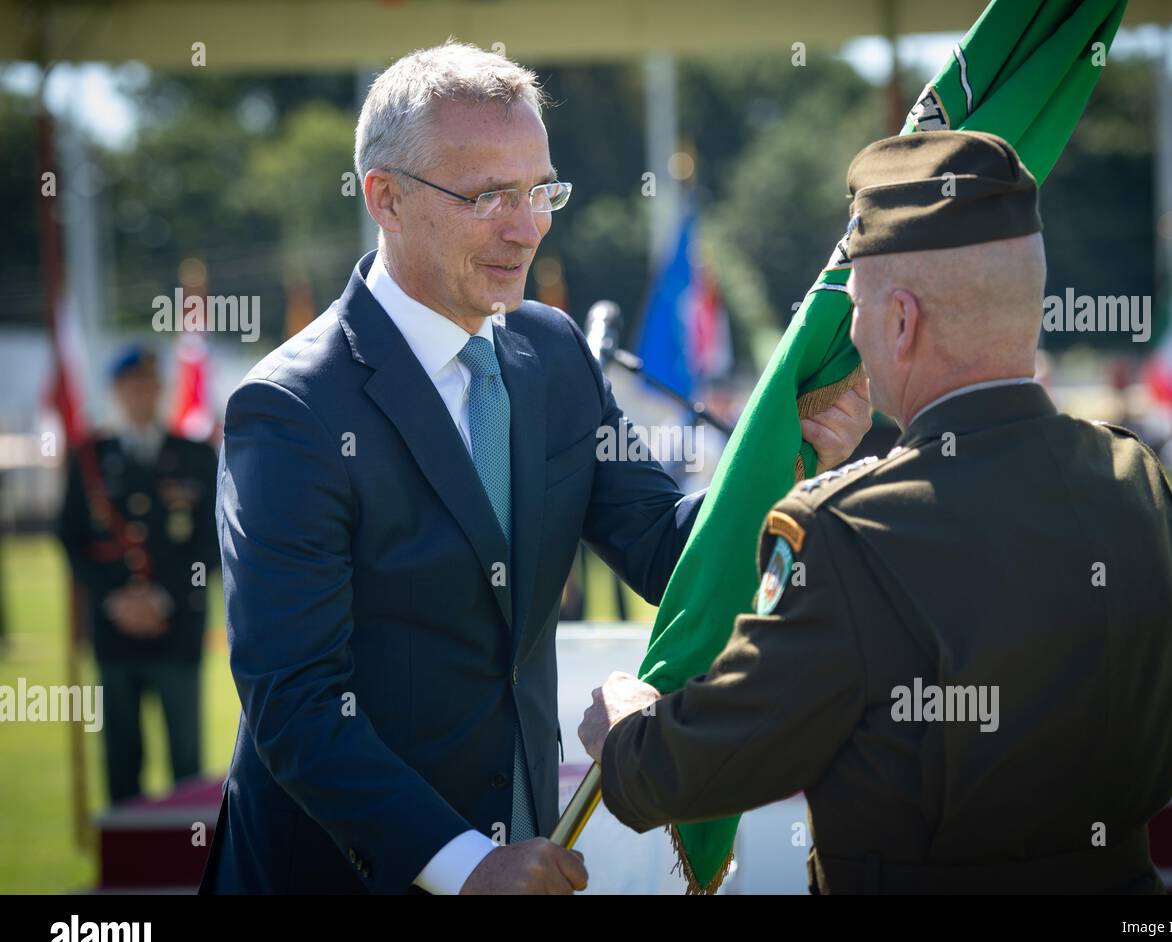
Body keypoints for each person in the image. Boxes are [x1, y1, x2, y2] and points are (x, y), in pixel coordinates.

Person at [197, 41, 870, 896]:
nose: (529, 225)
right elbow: (295, 707)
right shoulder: (291, 410)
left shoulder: (550, 351)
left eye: (540, 189)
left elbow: (667, 547)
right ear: (386, 199)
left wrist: (793, 455)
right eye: (488, 196)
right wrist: (463, 863)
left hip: (523, 850)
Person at [580, 130, 1172, 894]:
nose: (851, 331)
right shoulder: (1134, 476)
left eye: (858, 307)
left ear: (902, 321)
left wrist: (626, 728)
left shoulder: (843, 535)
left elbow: (698, 766)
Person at [58, 345, 218, 804]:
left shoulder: (195, 457)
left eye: (149, 384)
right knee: (121, 764)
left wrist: (163, 599)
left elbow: (211, 541)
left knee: (187, 768)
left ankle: (190, 871)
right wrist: (115, 600)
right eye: (132, 386)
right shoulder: (89, 458)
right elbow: (71, 539)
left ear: (161, 389)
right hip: (114, 633)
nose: (142, 394)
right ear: (116, 392)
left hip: (178, 632)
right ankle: (126, 875)